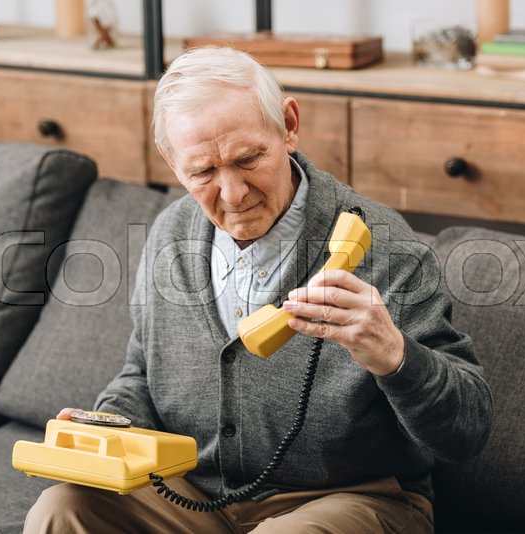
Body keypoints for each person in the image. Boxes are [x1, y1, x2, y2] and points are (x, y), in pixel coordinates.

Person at [25, 47, 493, 534]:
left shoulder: (388, 249)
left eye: (248, 159)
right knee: (62, 509)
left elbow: (468, 432)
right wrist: (104, 429)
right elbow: (141, 375)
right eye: (203, 172)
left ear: (288, 125)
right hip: (196, 497)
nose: (232, 193)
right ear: (170, 160)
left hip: (350, 500)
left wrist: (395, 356)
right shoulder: (170, 234)